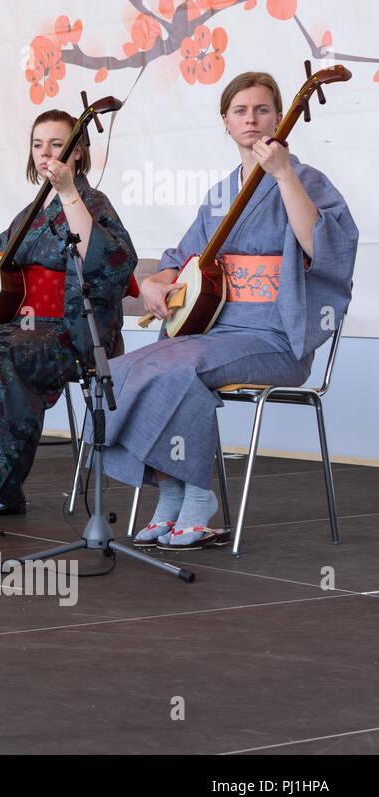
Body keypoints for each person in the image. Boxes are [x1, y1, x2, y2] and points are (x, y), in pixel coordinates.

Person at [103, 71, 357, 548]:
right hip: (216, 333)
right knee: (124, 368)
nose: (252, 119)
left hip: (274, 337)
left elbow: (326, 249)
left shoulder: (306, 180)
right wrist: (158, 282)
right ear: (225, 121)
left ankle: (198, 497)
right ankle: (172, 493)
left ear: (280, 117)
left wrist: (282, 174)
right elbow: (185, 260)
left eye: (262, 109)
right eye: (240, 111)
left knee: (179, 364)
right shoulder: (221, 192)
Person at [0, 108, 136, 515]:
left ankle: (0, 487)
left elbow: (112, 262)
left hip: (71, 330)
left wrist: (70, 195)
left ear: (77, 153)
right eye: (38, 145)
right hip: (23, 325)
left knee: (1, 359)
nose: (45, 152)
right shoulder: (29, 212)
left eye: (57, 144)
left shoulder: (91, 201)